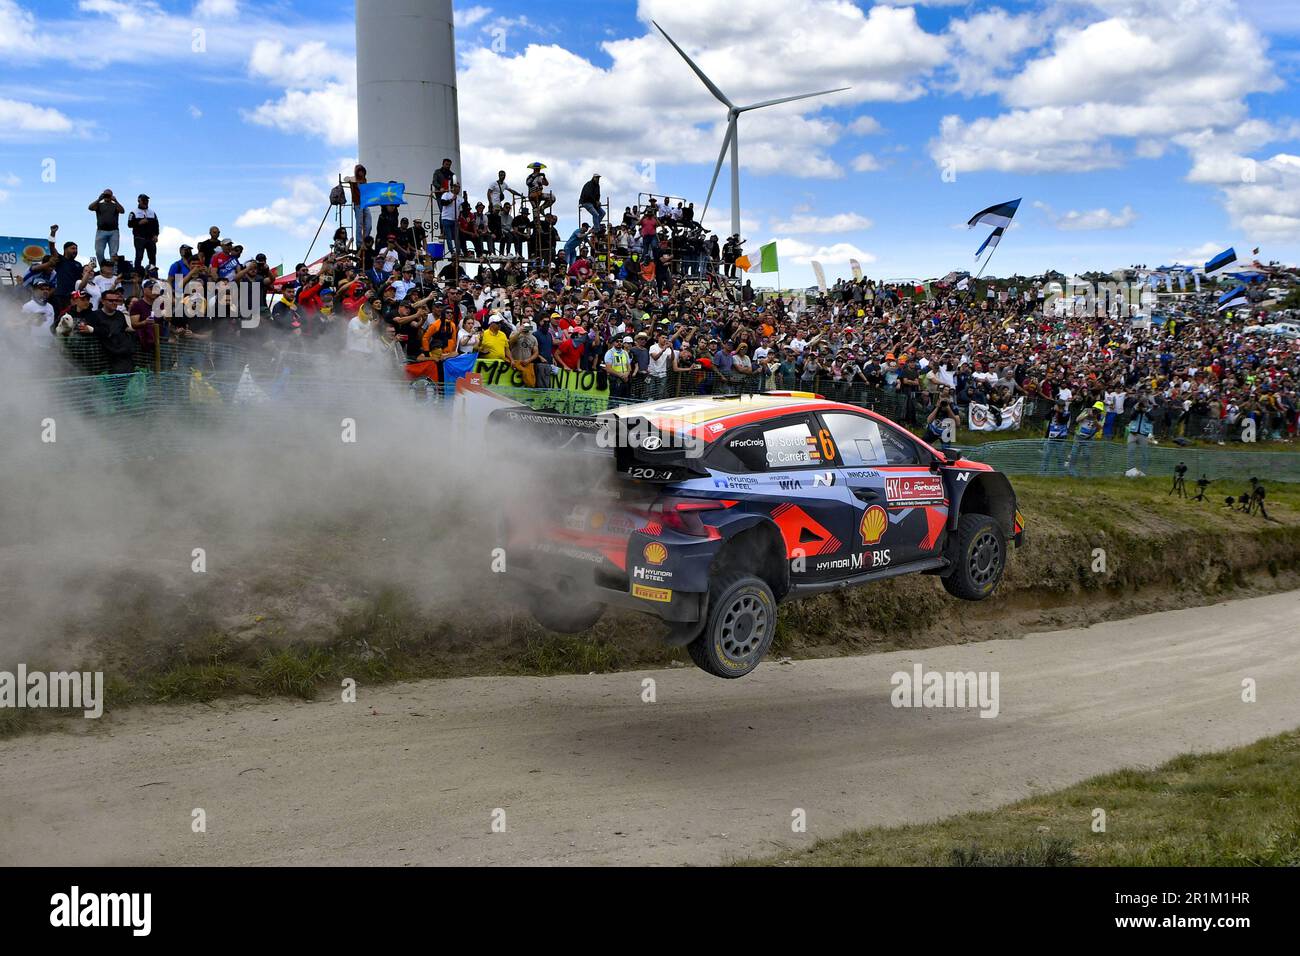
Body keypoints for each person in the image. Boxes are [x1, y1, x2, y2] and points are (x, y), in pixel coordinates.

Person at [88, 188, 125, 263]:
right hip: (101, 231)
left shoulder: (115, 205)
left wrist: (116, 201)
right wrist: (99, 199)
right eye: (105, 194)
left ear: (112, 195)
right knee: (99, 252)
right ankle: (103, 268)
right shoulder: (99, 205)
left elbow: (122, 211)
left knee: (113, 253)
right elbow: (90, 207)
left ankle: (113, 270)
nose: (107, 196)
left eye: (109, 195)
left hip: (114, 231)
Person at [1067, 402, 1103, 477]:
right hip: (1078, 436)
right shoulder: (1086, 410)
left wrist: (1095, 419)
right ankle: (1071, 471)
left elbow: (1100, 427)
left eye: (1098, 410)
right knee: (1074, 454)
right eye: (1095, 409)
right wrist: (1086, 415)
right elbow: (1077, 419)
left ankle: (1087, 472)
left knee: (1087, 455)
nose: (1096, 411)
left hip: (1089, 438)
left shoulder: (1101, 416)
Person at [127, 194, 160, 272]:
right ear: (139, 201)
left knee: (152, 257)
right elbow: (129, 224)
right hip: (139, 238)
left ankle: (152, 274)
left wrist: (156, 235)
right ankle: (137, 274)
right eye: (144, 200)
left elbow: (156, 225)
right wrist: (139, 222)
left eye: (147, 200)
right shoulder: (133, 212)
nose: (146, 202)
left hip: (151, 238)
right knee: (139, 256)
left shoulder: (152, 212)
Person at [1126, 399, 1155, 476]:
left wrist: (1146, 412)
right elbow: (1131, 417)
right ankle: (1130, 470)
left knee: (1144, 454)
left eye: (1144, 404)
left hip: (1144, 434)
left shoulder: (1150, 410)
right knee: (1130, 451)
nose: (1143, 406)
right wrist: (1137, 410)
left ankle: (1143, 471)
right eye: (1141, 404)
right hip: (1133, 433)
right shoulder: (1135, 409)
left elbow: (1152, 419)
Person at [1041, 403, 1071, 474]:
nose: (1055, 406)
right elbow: (1046, 417)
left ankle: (1061, 472)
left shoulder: (1067, 413)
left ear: (1061, 407)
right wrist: (1051, 411)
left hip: (1061, 438)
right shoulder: (1053, 411)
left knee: (1060, 455)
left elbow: (1062, 421)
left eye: (1057, 405)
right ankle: (1043, 471)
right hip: (1051, 437)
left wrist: (1059, 412)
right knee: (1047, 455)